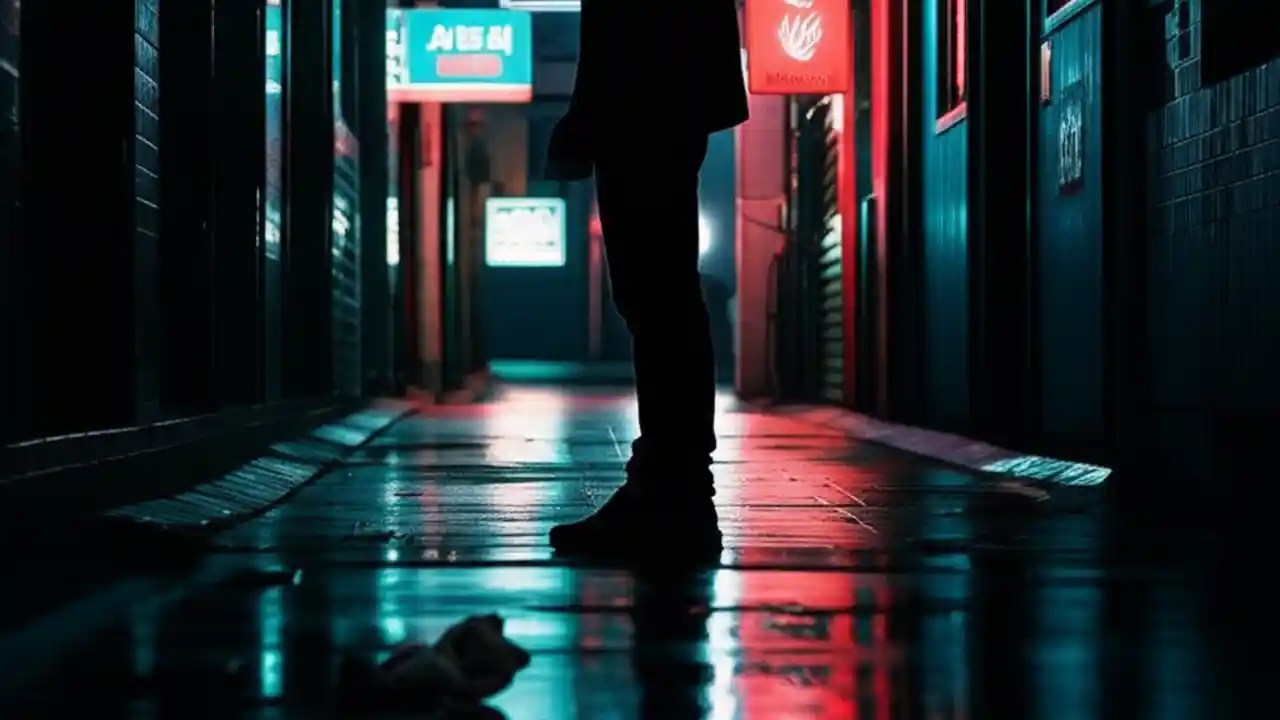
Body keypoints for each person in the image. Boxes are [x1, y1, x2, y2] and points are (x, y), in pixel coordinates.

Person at [545, 0, 749, 562]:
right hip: (666, 98)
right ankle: (674, 489)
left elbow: (626, 25)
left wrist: (586, 118)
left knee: (655, 295)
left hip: (643, 103)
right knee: (660, 294)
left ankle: (671, 492)